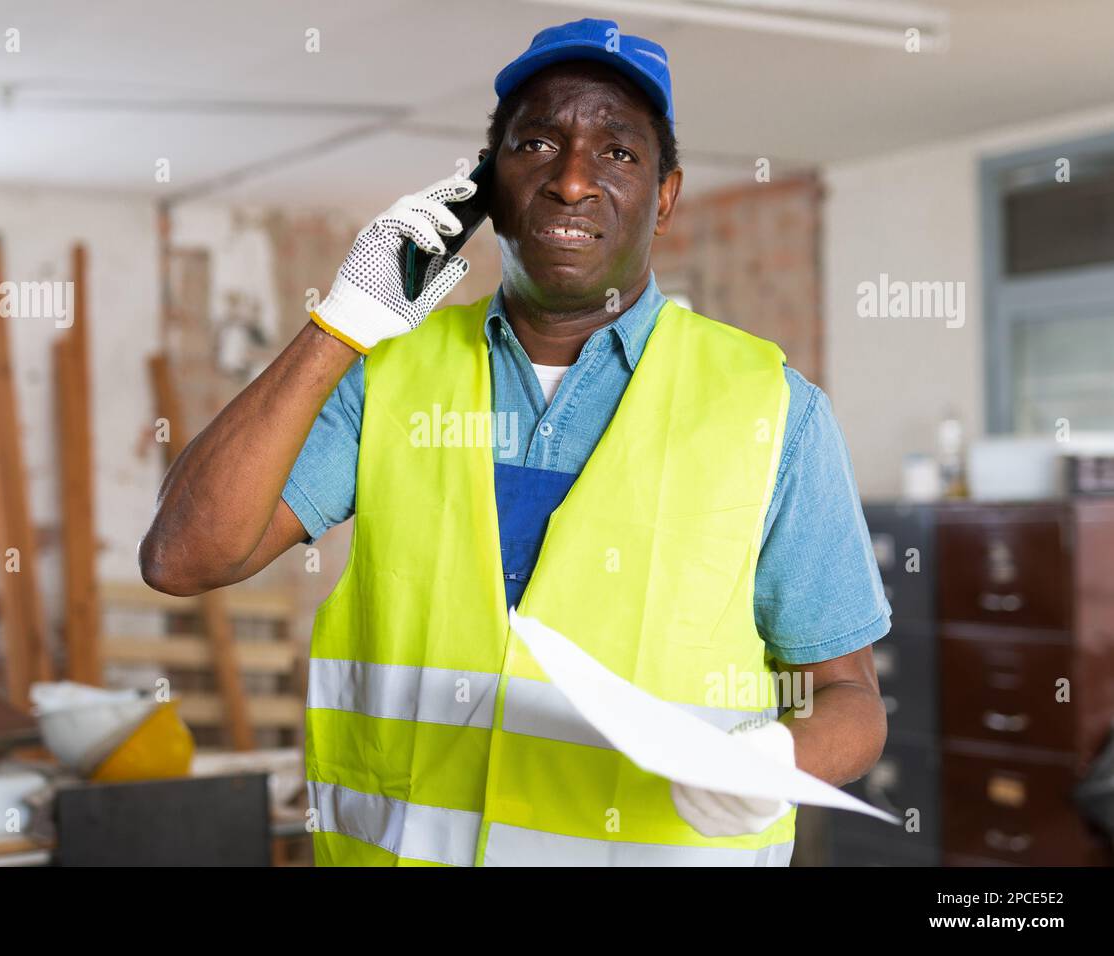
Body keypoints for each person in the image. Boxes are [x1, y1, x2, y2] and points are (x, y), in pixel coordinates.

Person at [140, 17, 891, 866]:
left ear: (666, 195)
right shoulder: (386, 377)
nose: (572, 181)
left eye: (618, 153)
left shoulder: (771, 409)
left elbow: (847, 695)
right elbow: (183, 558)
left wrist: (772, 763)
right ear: (486, 187)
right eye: (537, 143)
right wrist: (340, 326)